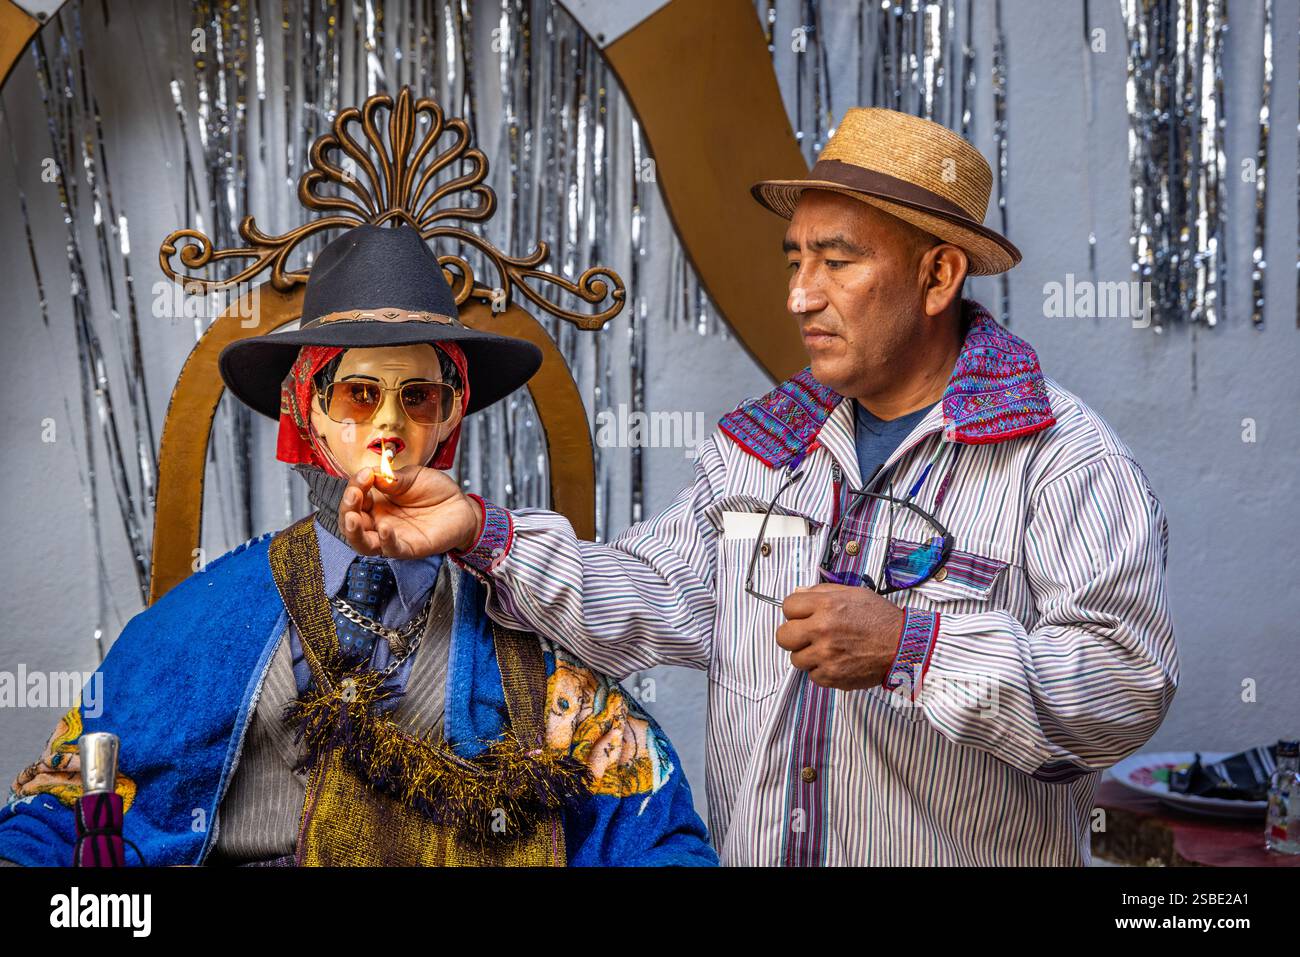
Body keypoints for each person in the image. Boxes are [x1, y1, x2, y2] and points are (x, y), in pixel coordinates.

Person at [335, 109, 1179, 866]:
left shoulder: (1062, 460)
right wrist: (480, 527)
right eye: (796, 258)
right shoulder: (763, 453)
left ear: (938, 276)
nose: (798, 294)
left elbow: (1125, 686)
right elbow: (656, 596)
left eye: (836, 262)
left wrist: (915, 648)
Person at [0, 223, 715, 867]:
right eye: (359, 393)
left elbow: (656, 830)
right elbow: (56, 810)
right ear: (306, 406)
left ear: (449, 414)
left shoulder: (522, 617)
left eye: (418, 397)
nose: (389, 425)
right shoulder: (203, 621)